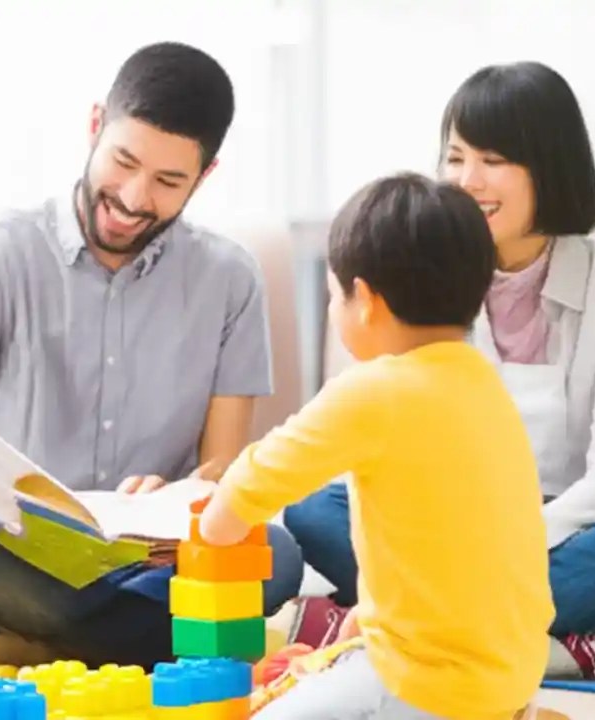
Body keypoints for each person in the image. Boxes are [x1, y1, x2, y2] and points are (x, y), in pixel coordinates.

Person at [0, 41, 304, 668]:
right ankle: (145, 646)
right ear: (95, 124)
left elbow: (221, 468)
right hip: (8, 550)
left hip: (146, 558)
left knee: (278, 553)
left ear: (204, 177)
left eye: (167, 181)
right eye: (123, 162)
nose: (132, 197)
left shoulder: (229, 278)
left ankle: (70, 643)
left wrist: (177, 493)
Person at [283, 61, 595, 678]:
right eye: (455, 158)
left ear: (551, 166)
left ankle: (437, 626)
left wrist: (505, 548)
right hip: (450, 524)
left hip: (563, 526)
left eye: (494, 159)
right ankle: (521, 639)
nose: (467, 180)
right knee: (313, 510)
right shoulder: (426, 270)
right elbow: (380, 431)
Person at [200, 172, 554, 719]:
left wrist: (212, 524)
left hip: (425, 686)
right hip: (510, 676)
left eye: (334, 296)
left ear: (365, 300)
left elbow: (256, 480)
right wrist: (368, 614)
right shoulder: (485, 385)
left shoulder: (373, 391)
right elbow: (449, 540)